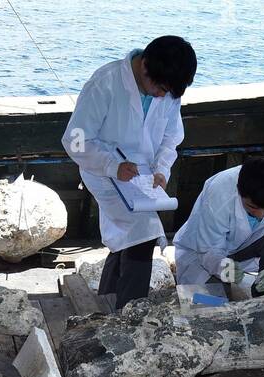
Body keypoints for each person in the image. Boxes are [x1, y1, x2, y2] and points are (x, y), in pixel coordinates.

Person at [64, 35, 196, 307]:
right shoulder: (105, 83)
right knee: (143, 233)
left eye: (168, 92)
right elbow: (74, 140)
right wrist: (112, 166)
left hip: (143, 175)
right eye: (159, 88)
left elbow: (171, 136)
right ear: (144, 66)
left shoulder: (166, 87)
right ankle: (131, 312)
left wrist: (161, 170)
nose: (162, 95)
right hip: (101, 168)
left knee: (129, 235)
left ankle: (108, 298)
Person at [173, 155, 264, 295]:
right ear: (238, 190)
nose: (260, 215)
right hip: (203, 254)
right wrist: (222, 266)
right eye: (252, 207)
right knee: (204, 302)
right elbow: (208, 248)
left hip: (249, 248)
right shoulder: (219, 193)